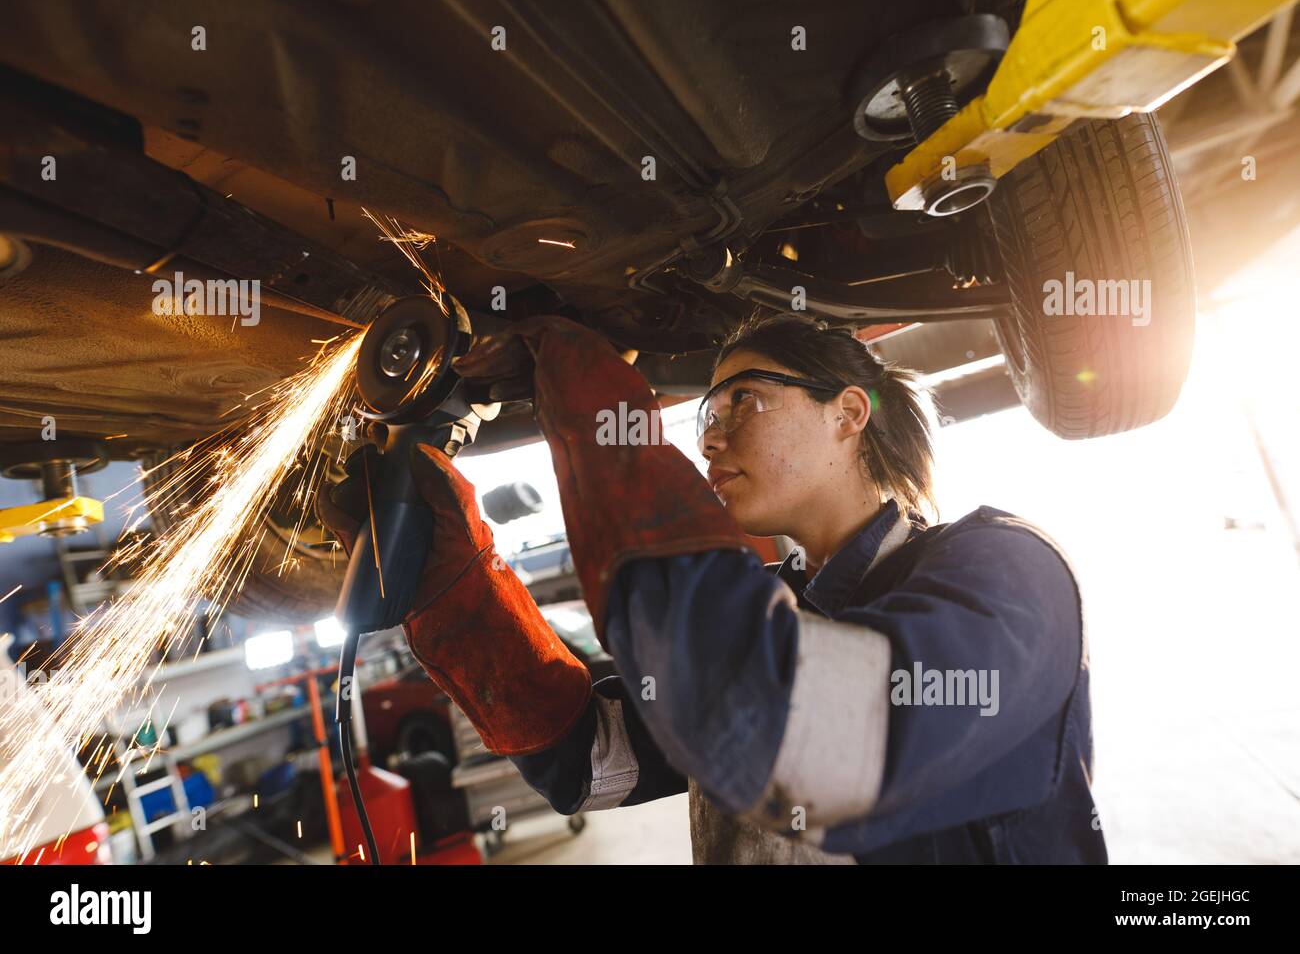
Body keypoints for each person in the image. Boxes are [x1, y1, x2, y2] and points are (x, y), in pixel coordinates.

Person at [319, 311, 1107, 864]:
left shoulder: (1011, 571)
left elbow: (792, 734)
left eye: (745, 398)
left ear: (850, 413)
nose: (711, 435)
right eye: (704, 414)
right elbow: (585, 761)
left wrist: (600, 418)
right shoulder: (770, 611)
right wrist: (451, 583)